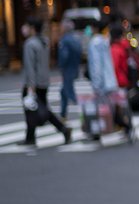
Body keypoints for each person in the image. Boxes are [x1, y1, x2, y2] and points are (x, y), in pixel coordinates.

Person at [19, 17, 72, 146]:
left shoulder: (30, 44)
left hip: (33, 83)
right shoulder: (44, 41)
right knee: (41, 109)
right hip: (44, 81)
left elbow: (30, 66)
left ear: (32, 28)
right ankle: (31, 136)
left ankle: (61, 129)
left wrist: (31, 86)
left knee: (35, 110)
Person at [85, 16, 128, 140]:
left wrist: (96, 83)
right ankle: (122, 125)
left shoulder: (94, 43)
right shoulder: (105, 40)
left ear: (94, 28)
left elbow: (96, 64)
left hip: (101, 81)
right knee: (110, 106)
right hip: (109, 79)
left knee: (100, 108)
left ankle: (98, 131)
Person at [56, 19, 82, 119]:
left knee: (69, 92)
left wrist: (61, 65)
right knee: (64, 91)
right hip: (74, 67)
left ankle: (83, 108)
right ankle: (63, 114)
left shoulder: (65, 40)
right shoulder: (76, 39)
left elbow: (64, 56)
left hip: (67, 69)